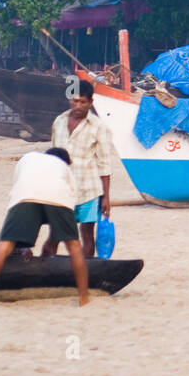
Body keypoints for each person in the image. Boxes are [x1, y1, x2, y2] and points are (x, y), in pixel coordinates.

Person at [0, 148, 89, 308]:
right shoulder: (65, 169)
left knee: (3, 247)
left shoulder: (28, 158)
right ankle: (84, 298)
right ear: (65, 162)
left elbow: (20, 189)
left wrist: (22, 245)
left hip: (24, 196)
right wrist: (53, 239)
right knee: (74, 248)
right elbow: (69, 202)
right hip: (59, 198)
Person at [45, 79, 120, 258]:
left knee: (86, 234)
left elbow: (104, 163)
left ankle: (85, 274)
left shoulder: (98, 126)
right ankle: (46, 273)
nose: (77, 105)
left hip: (89, 190)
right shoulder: (59, 121)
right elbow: (53, 156)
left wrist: (106, 197)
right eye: (74, 101)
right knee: (55, 235)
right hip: (61, 189)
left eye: (82, 102)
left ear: (91, 102)